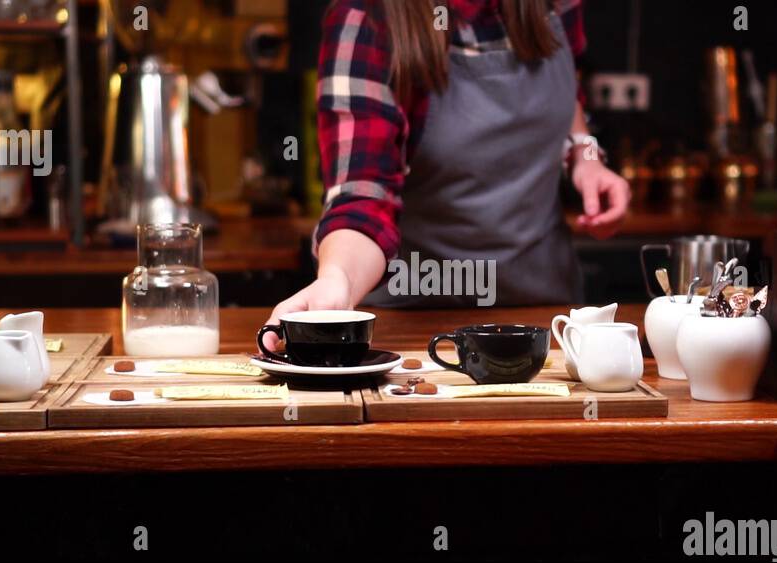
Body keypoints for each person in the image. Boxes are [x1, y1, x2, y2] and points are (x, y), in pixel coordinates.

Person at [269, 0, 629, 326]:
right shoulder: (366, 20)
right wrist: (338, 280)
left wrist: (585, 154)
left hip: (546, 315)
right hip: (414, 319)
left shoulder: (555, 5)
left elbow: (567, 88)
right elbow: (362, 195)